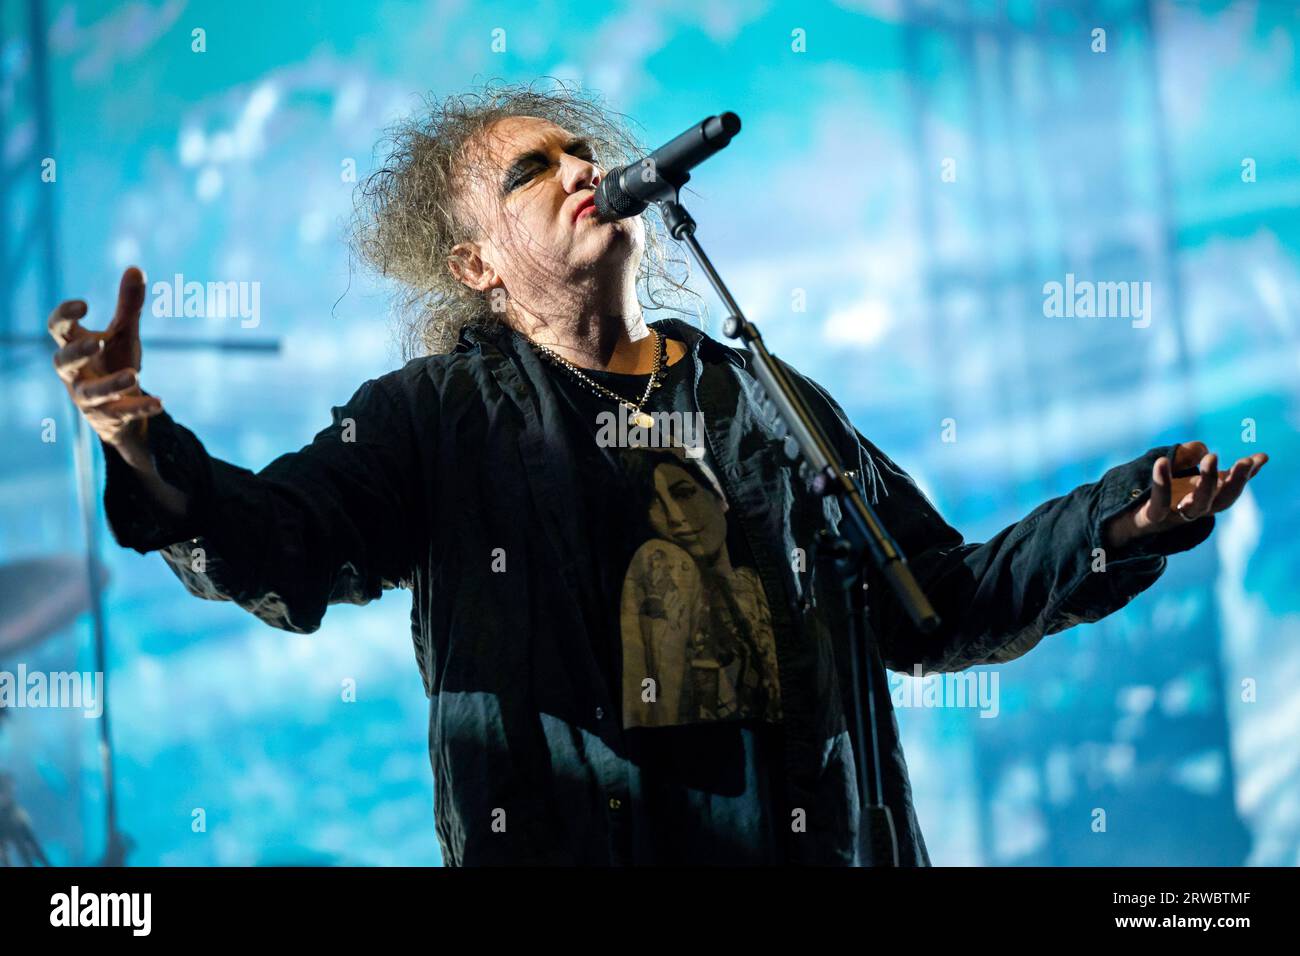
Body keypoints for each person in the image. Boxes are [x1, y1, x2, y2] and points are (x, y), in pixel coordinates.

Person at [46, 81, 1268, 866]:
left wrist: (1121, 520)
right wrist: (146, 444)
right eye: (533, 170)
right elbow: (286, 543)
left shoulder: (763, 397)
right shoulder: (434, 417)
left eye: (583, 150)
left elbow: (935, 601)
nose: (581, 168)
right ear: (475, 265)